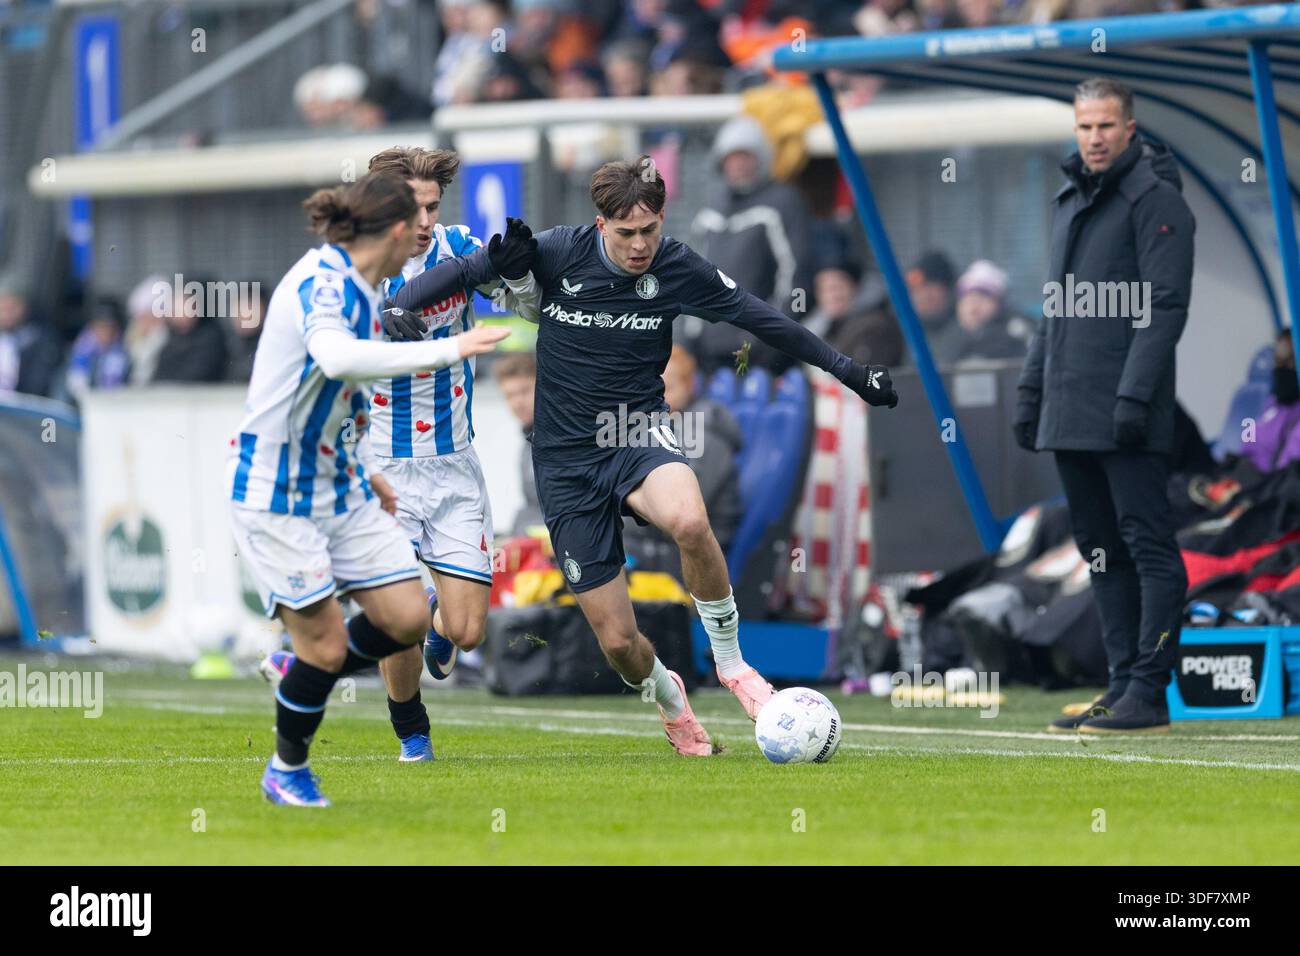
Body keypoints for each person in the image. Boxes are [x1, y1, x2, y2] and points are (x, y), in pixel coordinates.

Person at [384, 156, 898, 756]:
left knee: (687, 518)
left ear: (662, 219)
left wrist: (851, 371)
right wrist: (405, 305)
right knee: (623, 647)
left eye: (648, 230)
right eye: (625, 233)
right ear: (600, 224)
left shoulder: (679, 267)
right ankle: (671, 699)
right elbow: (467, 270)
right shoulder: (557, 251)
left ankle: (733, 666)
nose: (638, 246)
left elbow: (765, 319)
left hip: (634, 428)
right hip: (564, 459)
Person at [228, 172, 508, 806]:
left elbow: (342, 398)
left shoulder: (360, 286)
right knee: (327, 646)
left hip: (340, 478)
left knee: (409, 617)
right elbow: (335, 359)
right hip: (274, 488)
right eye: (418, 219)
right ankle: (287, 768)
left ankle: (301, 669)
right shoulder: (323, 284)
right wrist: (448, 350)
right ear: (393, 230)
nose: (428, 229)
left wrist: (365, 473)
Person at [1015, 77, 1195, 734]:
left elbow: (1165, 310)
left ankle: (1150, 690)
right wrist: (1032, 391)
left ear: (1130, 128)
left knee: (1149, 545)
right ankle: (1121, 686)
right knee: (1098, 549)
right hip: (1071, 410)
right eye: (1084, 127)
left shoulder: (1157, 200)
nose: (1094, 138)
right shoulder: (1070, 197)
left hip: (1128, 412)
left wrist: (1132, 396)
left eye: (1105, 126)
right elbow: (1053, 309)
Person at [689, 115, 813, 374]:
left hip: (761, 350)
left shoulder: (783, 202)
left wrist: (780, 332)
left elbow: (796, 274)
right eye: (732, 158)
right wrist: (692, 335)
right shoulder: (710, 211)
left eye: (746, 156)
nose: (739, 165)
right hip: (709, 352)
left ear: (761, 158)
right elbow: (691, 277)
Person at [624, 344, 742, 574]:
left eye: (668, 388)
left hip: (684, 565)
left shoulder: (705, 436)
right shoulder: (654, 427)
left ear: (690, 387)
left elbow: (675, 513)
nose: (656, 396)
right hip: (643, 551)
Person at [491, 351, 546, 534]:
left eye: (524, 391)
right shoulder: (528, 443)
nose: (517, 402)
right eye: (509, 395)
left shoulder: (566, 439)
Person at [1242, 328, 1300, 474]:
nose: (1281, 369)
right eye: (1278, 361)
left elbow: (1288, 468)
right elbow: (1248, 439)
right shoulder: (1272, 402)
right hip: (1246, 474)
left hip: (1270, 486)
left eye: (1289, 362)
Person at [948, 259, 1028, 364]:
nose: (973, 306)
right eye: (967, 299)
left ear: (999, 303)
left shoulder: (1016, 335)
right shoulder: (951, 338)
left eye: (982, 297)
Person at [151, 278, 229, 384]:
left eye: (184, 301)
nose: (175, 307)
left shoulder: (211, 341)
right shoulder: (170, 339)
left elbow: (193, 379)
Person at [0, 281, 62, 397]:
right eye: (2, 309)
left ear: (24, 308)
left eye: (11, 308)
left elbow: (38, 385)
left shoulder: (41, 340)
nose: (6, 315)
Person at [64, 297, 130, 402]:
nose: (104, 332)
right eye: (99, 327)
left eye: (108, 327)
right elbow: (71, 386)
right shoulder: (81, 349)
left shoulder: (126, 351)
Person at [225, 284, 266, 383]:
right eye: (240, 309)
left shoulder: (271, 345)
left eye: (250, 309)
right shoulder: (223, 345)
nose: (245, 315)